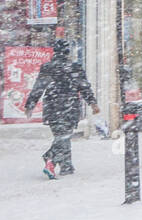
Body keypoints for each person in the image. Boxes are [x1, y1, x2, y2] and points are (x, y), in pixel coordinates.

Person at [25, 39, 99, 178]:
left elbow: (39, 87)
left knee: (61, 136)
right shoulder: (74, 67)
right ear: (67, 52)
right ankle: (50, 158)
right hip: (69, 105)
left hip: (52, 105)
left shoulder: (48, 67)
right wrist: (92, 103)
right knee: (64, 136)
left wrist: (30, 105)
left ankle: (66, 166)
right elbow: (83, 86)